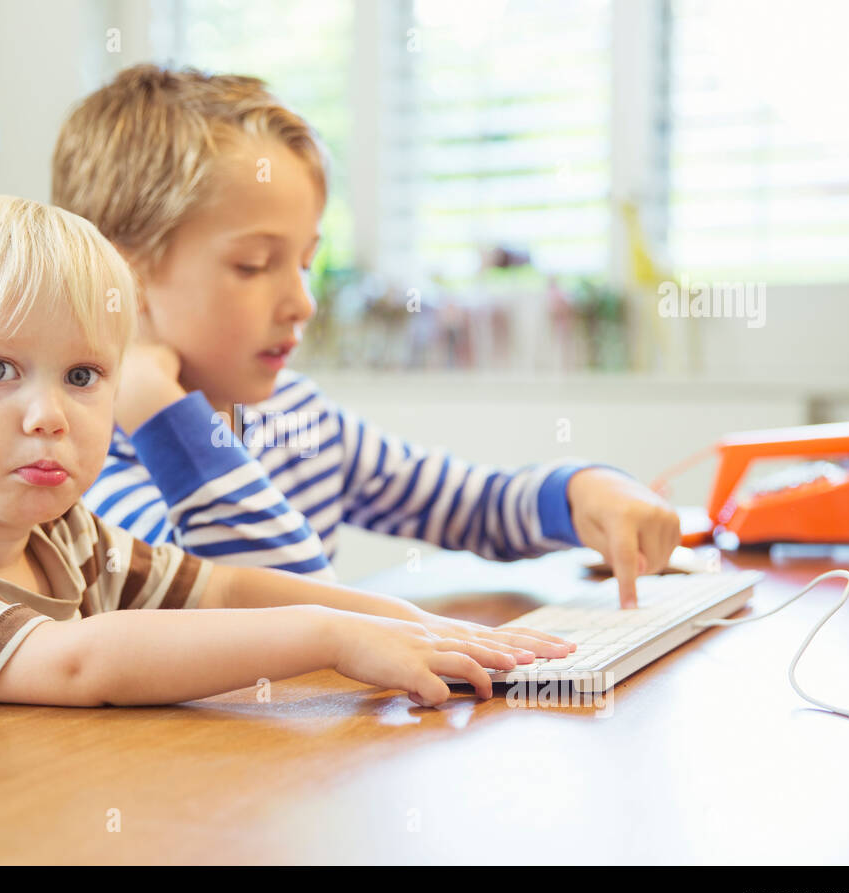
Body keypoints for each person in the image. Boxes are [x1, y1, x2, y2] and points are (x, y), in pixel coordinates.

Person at [0, 196, 575, 743]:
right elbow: (80, 662)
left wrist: (394, 622)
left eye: (84, 376)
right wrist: (331, 635)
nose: (49, 414)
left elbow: (220, 585)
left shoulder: (63, 533)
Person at [53, 65, 680, 608]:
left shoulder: (299, 419)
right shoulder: (76, 464)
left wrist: (582, 492)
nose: (302, 302)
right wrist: (155, 407)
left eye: (305, 263)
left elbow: (468, 504)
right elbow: (274, 599)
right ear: (123, 276)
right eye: (253, 265)